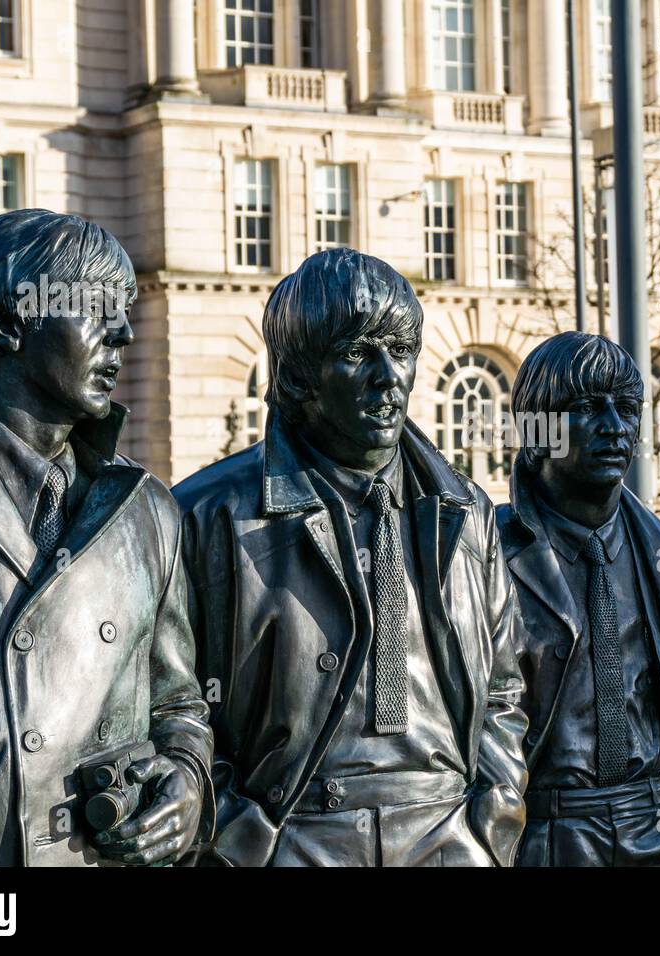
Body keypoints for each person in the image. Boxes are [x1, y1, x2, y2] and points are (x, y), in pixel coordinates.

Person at [0, 209, 212, 866]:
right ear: (8, 322)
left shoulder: (146, 510)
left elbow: (179, 702)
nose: (125, 332)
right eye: (99, 309)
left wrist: (185, 786)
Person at [176, 248, 527, 866]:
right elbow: (174, 703)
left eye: (401, 349)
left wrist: (494, 814)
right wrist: (238, 836)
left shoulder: (466, 511)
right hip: (296, 836)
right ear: (299, 375)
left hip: (450, 834)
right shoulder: (210, 514)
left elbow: (501, 689)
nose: (388, 376)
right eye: (357, 352)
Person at [496, 331, 660, 866]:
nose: (614, 427)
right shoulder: (485, 558)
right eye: (586, 409)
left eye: (626, 409)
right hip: (546, 839)